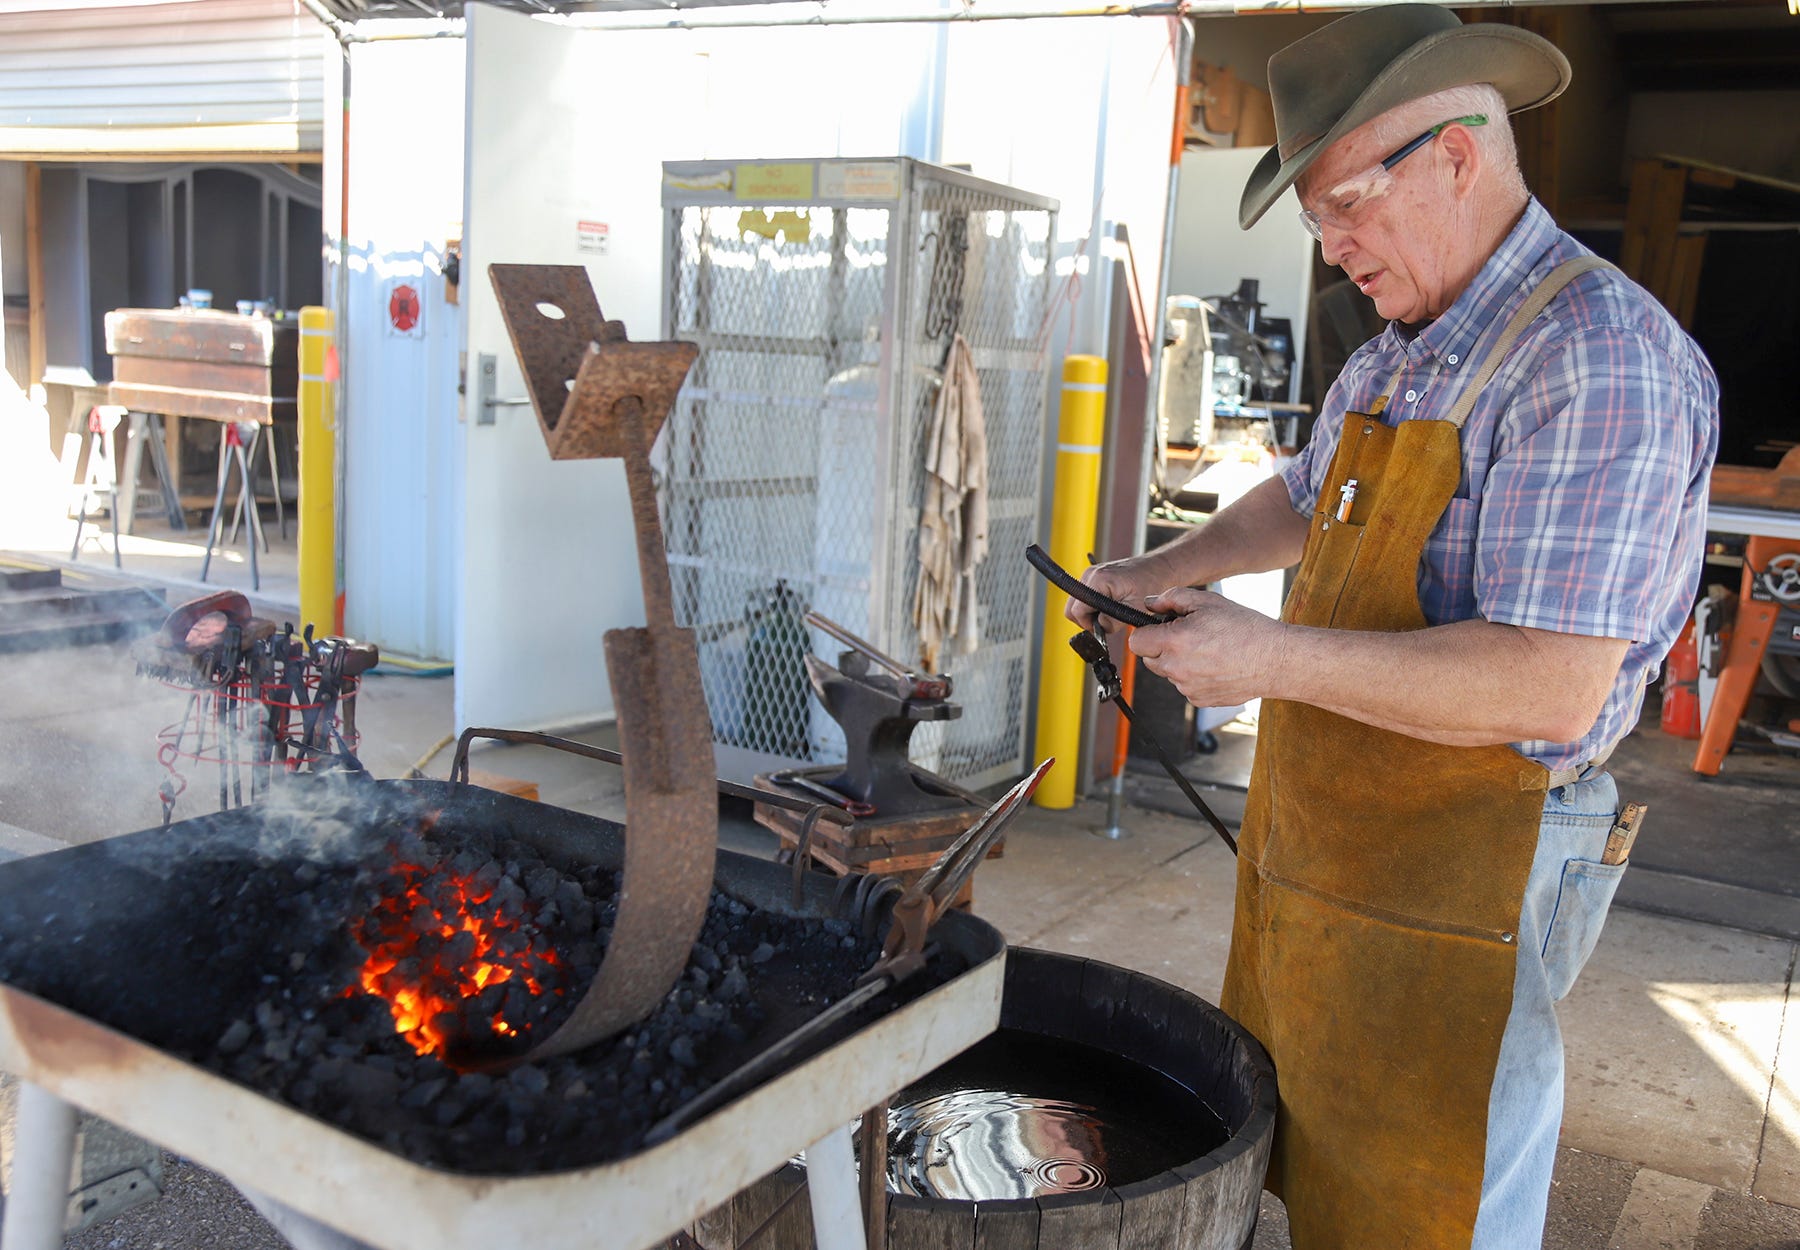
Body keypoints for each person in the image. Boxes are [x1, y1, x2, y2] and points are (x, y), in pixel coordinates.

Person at [1069, 7, 1719, 1248]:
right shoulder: (1400, 352)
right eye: (1317, 219)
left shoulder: (1599, 359)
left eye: (1344, 206)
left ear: (1455, 156)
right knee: (1324, 1157)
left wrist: (1265, 659)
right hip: (1342, 818)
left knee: (1438, 1191)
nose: (1333, 247)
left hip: (1480, 847)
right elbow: (1307, 496)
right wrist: (1159, 569)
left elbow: (1550, 685)